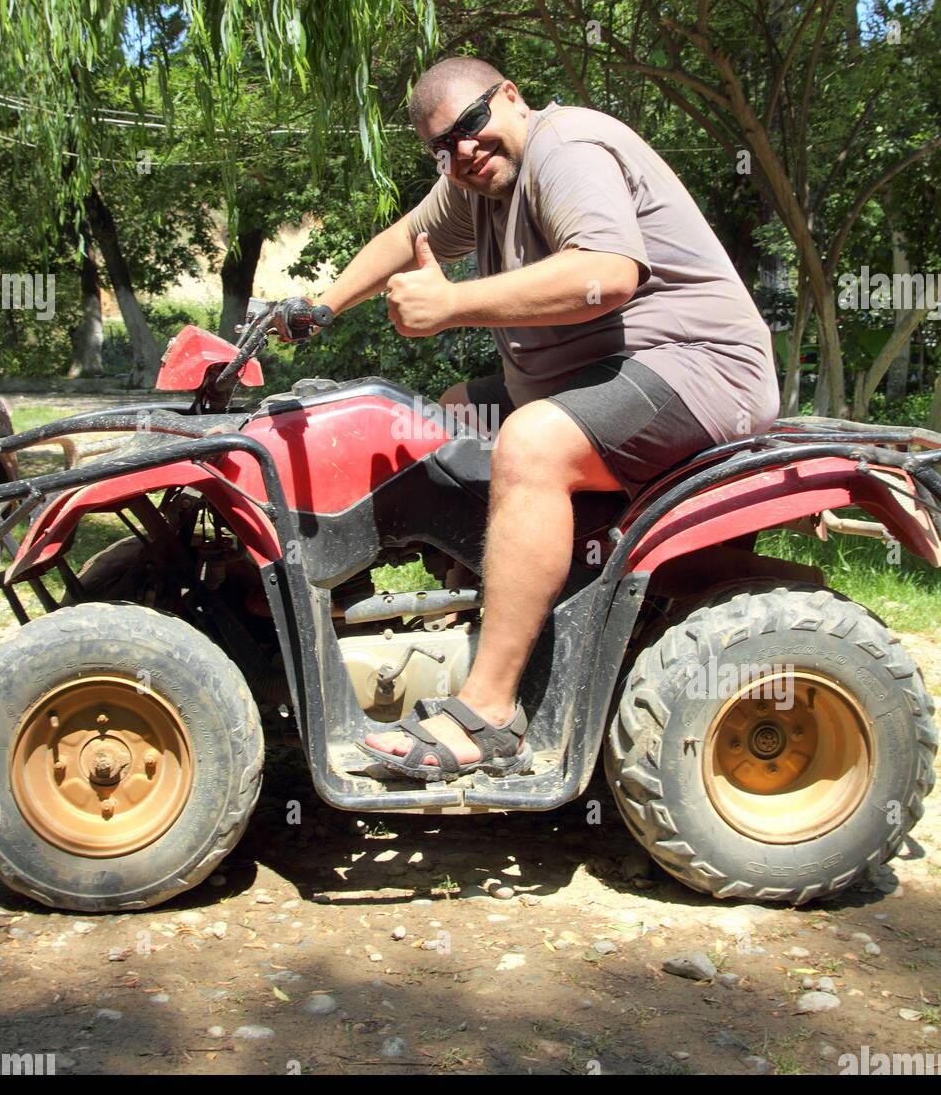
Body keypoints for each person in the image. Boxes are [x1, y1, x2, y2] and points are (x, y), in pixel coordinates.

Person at [314, 57, 780, 782]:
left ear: (511, 97)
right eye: (443, 146)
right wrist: (319, 308)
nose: (464, 149)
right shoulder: (476, 185)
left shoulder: (567, 147)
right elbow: (404, 238)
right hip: (606, 375)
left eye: (472, 125)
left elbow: (607, 272)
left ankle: (488, 713)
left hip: (698, 368)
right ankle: (481, 605)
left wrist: (452, 306)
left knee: (531, 445)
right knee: (448, 416)